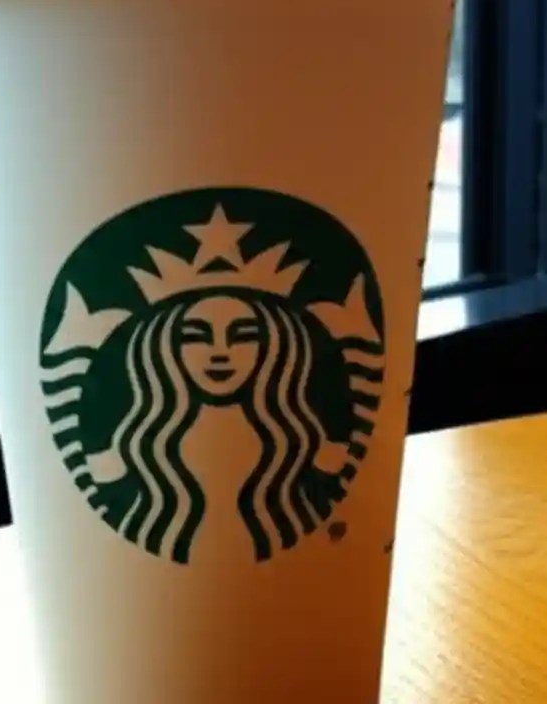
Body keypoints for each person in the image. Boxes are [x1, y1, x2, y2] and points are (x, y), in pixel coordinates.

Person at [40, 205, 386, 566]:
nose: (220, 352)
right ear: (166, 348)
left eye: (243, 335)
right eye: (197, 336)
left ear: (272, 347)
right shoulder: (124, 451)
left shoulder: (310, 444)